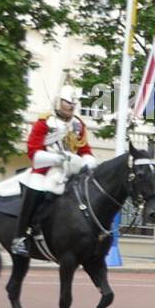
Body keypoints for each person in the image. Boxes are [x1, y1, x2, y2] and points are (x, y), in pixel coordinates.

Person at [12, 84, 96, 256]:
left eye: (74, 103)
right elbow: (33, 151)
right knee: (34, 190)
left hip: (72, 169)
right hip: (46, 168)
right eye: (67, 102)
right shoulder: (45, 122)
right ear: (59, 102)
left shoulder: (78, 125)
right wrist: (57, 158)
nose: (71, 106)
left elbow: (85, 150)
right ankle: (20, 238)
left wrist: (88, 162)